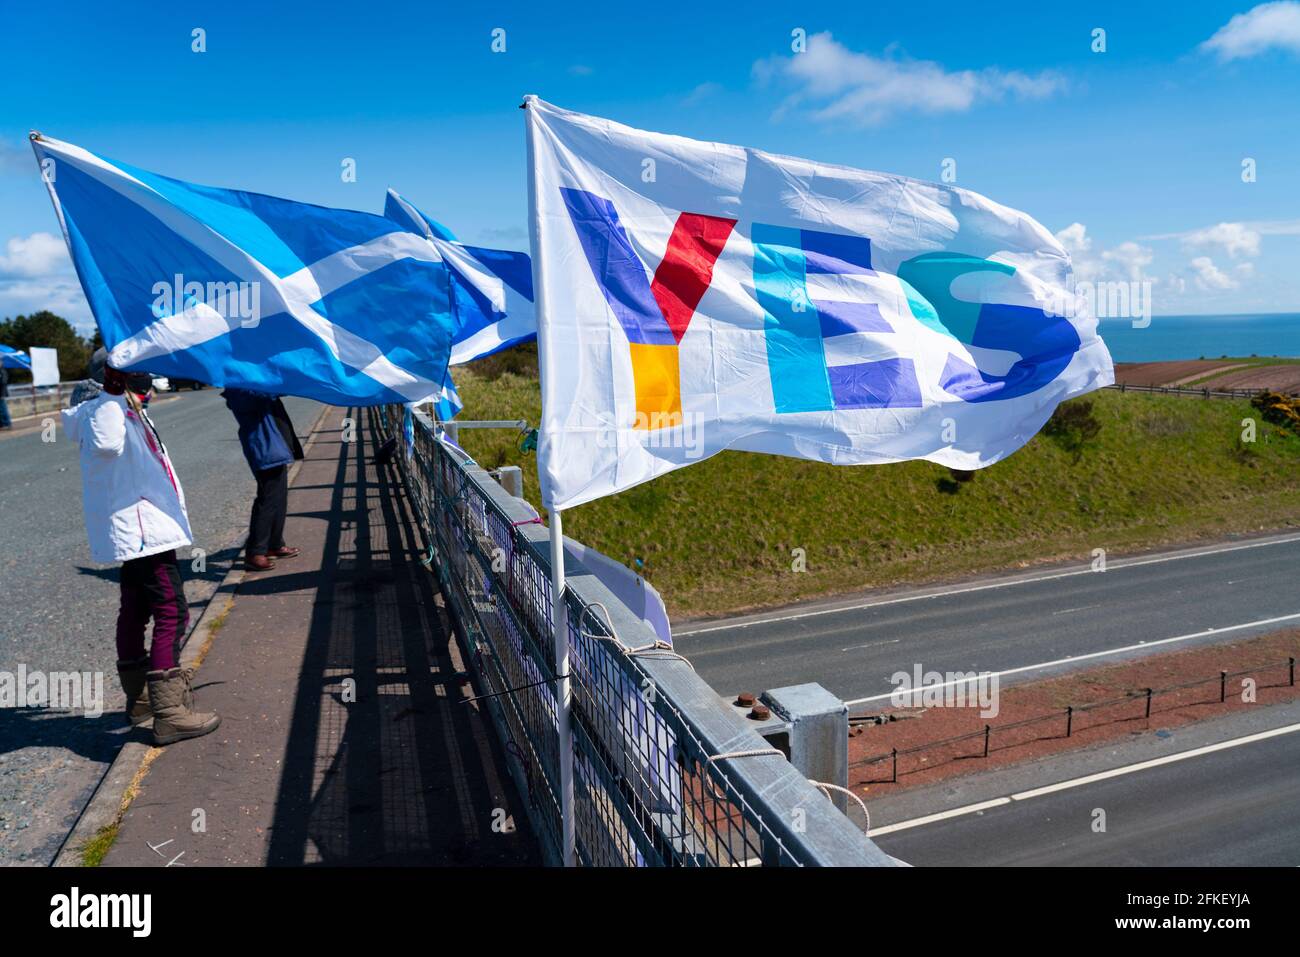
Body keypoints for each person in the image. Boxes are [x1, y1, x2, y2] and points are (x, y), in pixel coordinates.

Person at [62, 362, 220, 745]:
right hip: (143, 532)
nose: (145, 390)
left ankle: (142, 701)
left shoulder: (117, 409)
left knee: (135, 609)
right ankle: (169, 713)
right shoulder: (103, 411)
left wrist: (118, 393)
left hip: (140, 530)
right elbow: (107, 440)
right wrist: (113, 390)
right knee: (172, 610)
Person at [222, 388, 303, 571]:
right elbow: (253, 400)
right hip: (264, 446)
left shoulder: (253, 385)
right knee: (268, 498)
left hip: (273, 445)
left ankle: (274, 544)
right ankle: (255, 552)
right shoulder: (240, 389)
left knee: (278, 497)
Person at [0, 361, 11, 429]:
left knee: (3, 409)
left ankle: (7, 423)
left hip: (1, 393)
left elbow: (3, 383)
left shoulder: (2, 371)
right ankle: (2, 424)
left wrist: (2, 394)